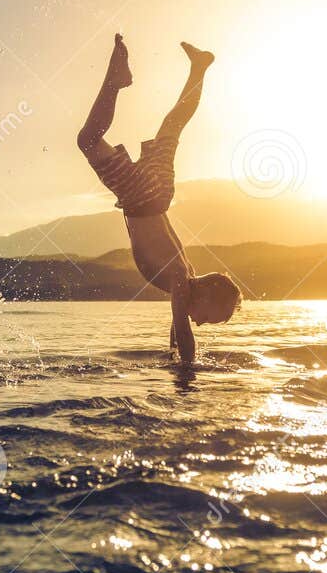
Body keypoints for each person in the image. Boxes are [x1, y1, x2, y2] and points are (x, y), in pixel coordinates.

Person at [77, 35, 240, 362]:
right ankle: (116, 81)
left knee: (172, 124)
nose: (202, 323)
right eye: (211, 316)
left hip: (157, 193)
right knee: (88, 140)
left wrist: (171, 355)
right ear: (206, 293)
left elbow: (176, 330)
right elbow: (183, 330)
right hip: (139, 197)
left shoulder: (186, 273)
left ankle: (199, 68)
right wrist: (187, 376)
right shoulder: (181, 281)